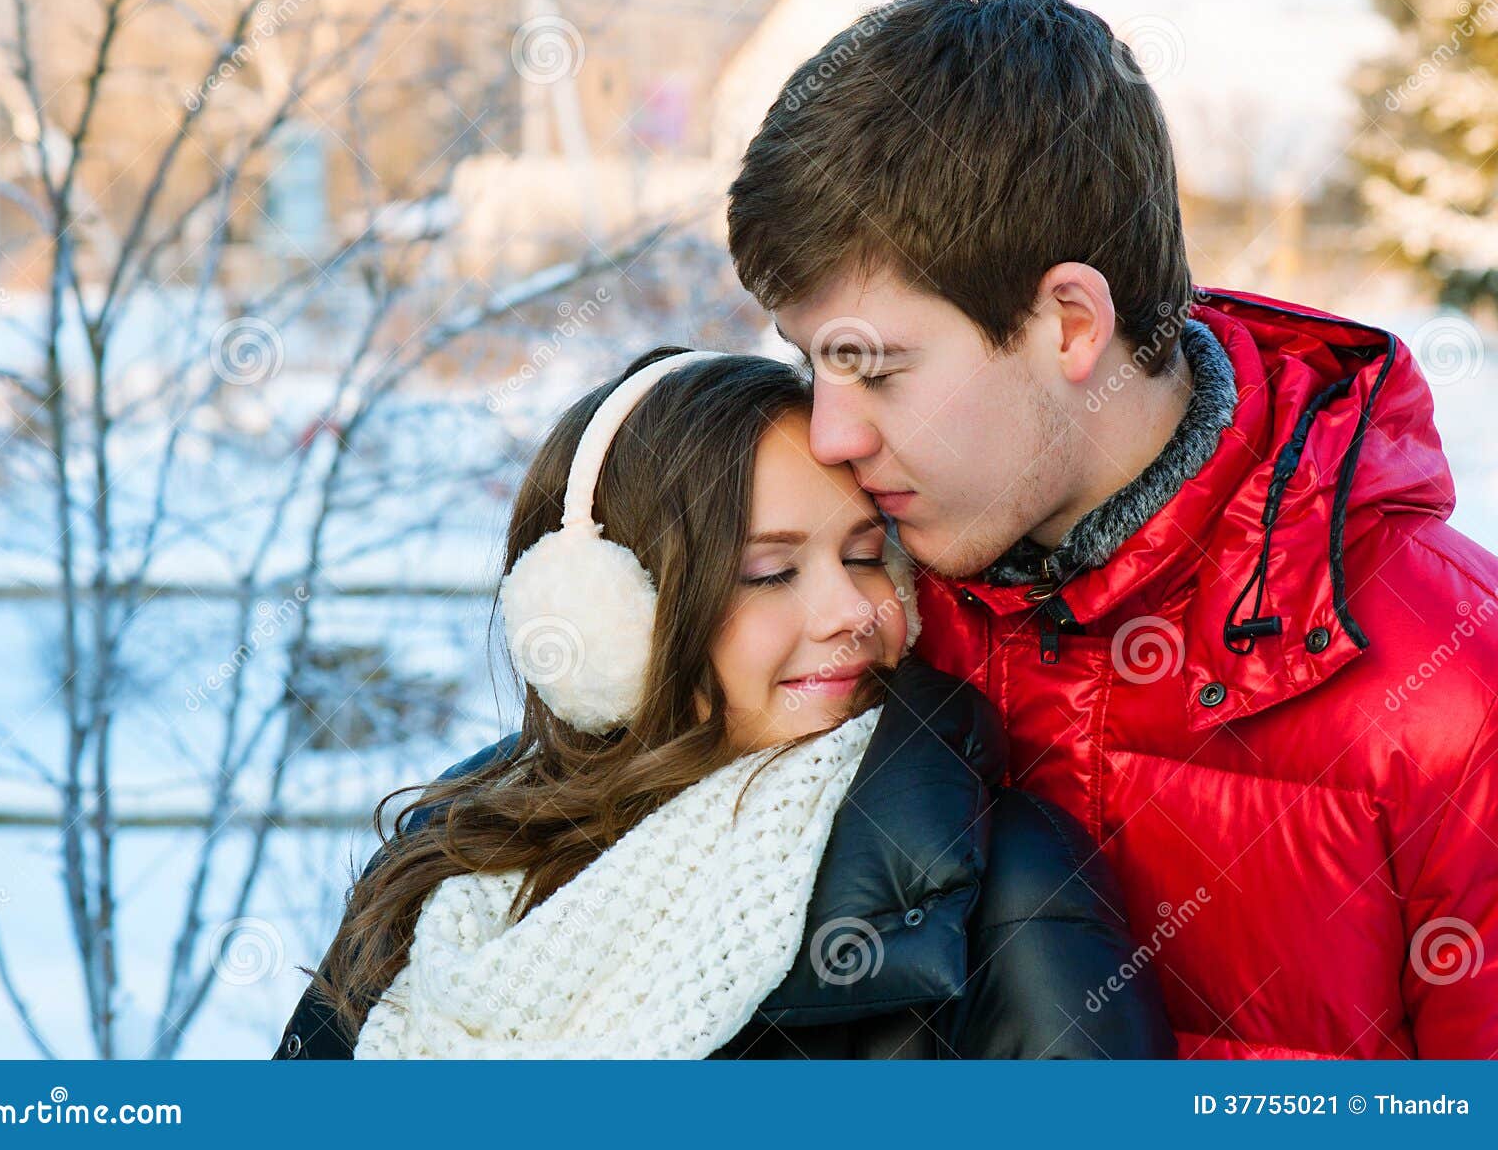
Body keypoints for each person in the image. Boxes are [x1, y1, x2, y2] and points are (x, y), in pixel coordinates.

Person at [725, 0, 1498, 1058]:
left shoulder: (1454, 695)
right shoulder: (850, 607)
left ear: (1070, 323)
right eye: (812, 365)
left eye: (878, 370)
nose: (831, 435)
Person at [274, 349, 1175, 1060]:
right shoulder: (452, 855)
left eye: (867, 556)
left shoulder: (1010, 880)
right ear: (613, 616)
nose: (852, 612)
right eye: (770, 573)